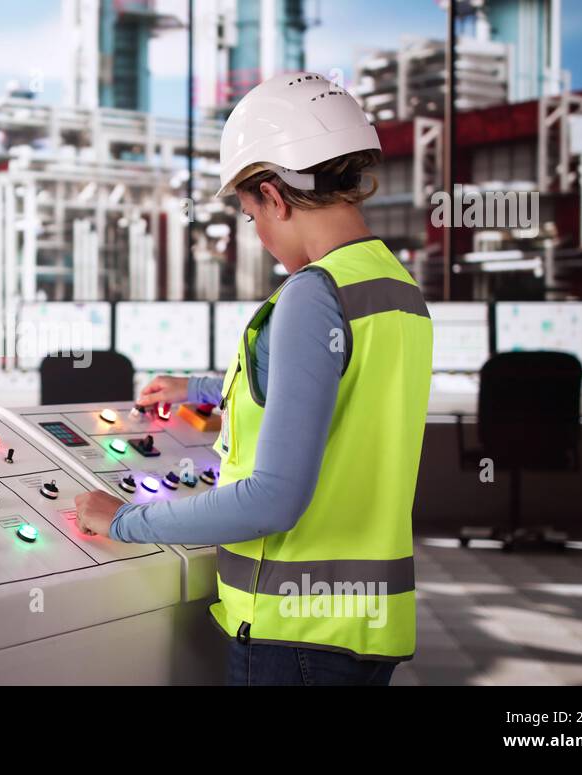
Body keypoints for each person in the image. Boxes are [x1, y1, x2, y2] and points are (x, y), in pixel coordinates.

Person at [74, 73, 433, 686]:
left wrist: (124, 519)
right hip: (364, 624)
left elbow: (273, 499)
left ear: (275, 194)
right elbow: (329, 385)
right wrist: (201, 389)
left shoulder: (311, 295)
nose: (261, 238)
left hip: (295, 636)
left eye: (249, 215)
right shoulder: (395, 289)